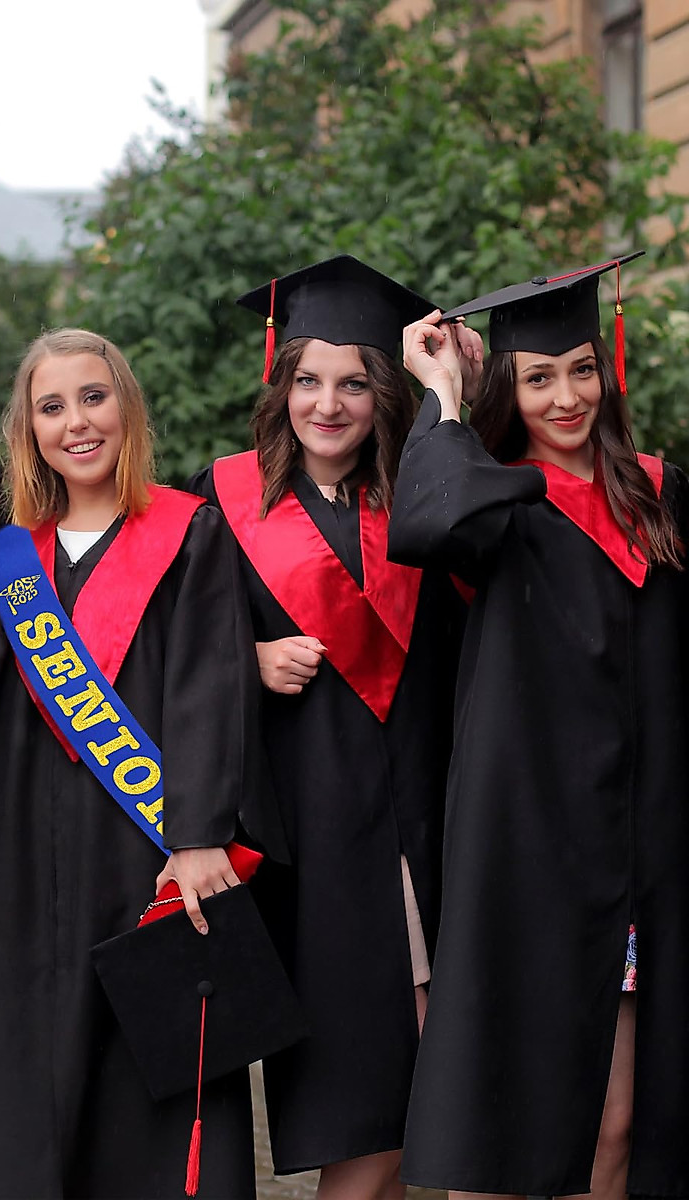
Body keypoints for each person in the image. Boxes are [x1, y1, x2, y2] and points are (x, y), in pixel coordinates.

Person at [0, 328, 261, 1199]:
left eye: (94, 397)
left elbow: (210, 691)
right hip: (20, 861)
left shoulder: (191, 536)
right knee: (28, 1088)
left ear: (126, 408)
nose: (77, 422)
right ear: (28, 430)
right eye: (52, 406)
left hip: (147, 854)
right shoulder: (6, 558)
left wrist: (197, 835)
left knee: (148, 1081)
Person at [389, 257, 689, 1200]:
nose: (567, 396)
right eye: (539, 376)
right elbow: (423, 521)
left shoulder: (658, 493)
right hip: (529, 857)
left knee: (618, 1124)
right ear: (507, 391)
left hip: (642, 854)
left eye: (582, 369)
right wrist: (443, 392)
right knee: (507, 1119)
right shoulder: (491, 502)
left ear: (609, 370)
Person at [187, 256, 469, 1199]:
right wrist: (249, 662)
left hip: (419, 820)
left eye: (354, 382)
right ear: (281, 385)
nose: (329, 404)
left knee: (418, 1085)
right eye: (308, 380)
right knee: (365, 1089)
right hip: (303, 838)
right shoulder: (221, 502)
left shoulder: (422, 499)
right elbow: (167, 655)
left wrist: (450, 389)